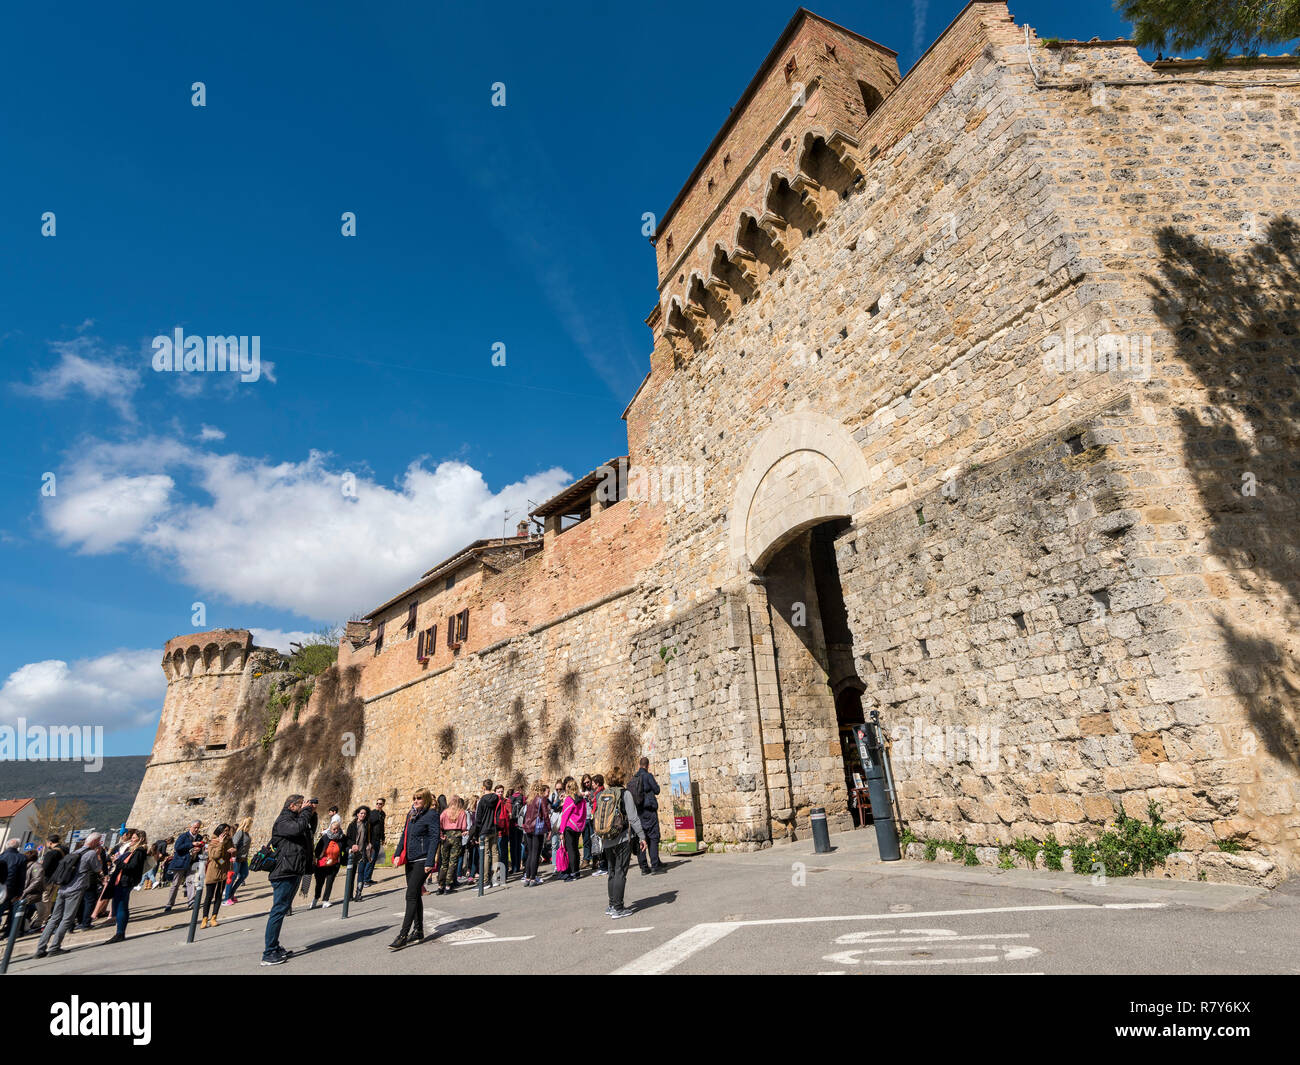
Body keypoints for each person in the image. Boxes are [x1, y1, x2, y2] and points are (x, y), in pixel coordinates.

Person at [262, 794, 314, 966]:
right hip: (283, 872)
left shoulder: (295, 819)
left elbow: (306, 832)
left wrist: (309, 813)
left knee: (282, 910)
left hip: (292, 870)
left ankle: (274, 947)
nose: (303, 807)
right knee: (278, 911)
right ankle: (268, 953)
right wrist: (306, 812)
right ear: (292, 806)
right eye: (300, 805)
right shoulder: (283, 820)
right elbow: (297, 829)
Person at [35, 834, 103, 958]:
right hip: (76, 888)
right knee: (67, 918)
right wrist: (98, 854)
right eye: (99, 841)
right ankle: (55, 947)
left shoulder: (76, 851)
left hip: (63, 887)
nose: (100, 843)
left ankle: (40, 949)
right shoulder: (91, 854)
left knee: (54, 918)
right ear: (94, 842)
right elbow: (97, 868)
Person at [592, 766, 648, 919]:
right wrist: (642, 837)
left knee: (611, 871)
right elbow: (633, 818)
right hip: (622, 838)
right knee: (620, 872)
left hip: (606, 839)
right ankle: (618, 907)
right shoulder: (625, 794)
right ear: (621, 778)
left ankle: (611, 905)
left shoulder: (602, 794)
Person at [389, 788, 439, 950]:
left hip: (422, 860)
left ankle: (403, 934)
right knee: (415, 894)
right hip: (410, 860)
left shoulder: (431, 815)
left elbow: (434, 838)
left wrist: (430, 861)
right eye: (414, 798)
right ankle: (418, 931)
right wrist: (397, 854)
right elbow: (404, 835)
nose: (416, 801)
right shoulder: (410, 815)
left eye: (419, 798)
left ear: (426, 800)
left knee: (410, 895)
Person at [105, 830, 149, 942]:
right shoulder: (136, 850)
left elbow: (132, 867)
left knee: (121, 905)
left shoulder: (139, 851)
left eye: (134, 838)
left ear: (140, 839)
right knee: (120, 905)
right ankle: (119, 932)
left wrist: (117, 862)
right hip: (124, 880)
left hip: (126, 881)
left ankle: (120, 933)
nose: (132, 840)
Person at [630, 757, 665, 874]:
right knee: (653, 837)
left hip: (638, 813)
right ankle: (655, 865)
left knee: (641, 837)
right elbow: (657, 790)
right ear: (647, 765)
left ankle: (644, 867)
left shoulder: (633, 779)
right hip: (649, 811)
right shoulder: (648, 776)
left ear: (639, 765)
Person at [200, 824, 235, 928]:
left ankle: (214, 917)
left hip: (223, 872)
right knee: (209, 896)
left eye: (228, 830)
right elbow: (215, 856)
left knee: (219, 896)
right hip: (213, 872)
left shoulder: (229, 841)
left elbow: (229, 854)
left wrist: (233, 852)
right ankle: (204, 919)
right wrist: (220, 843)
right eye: (224, 830)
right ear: (219, 831)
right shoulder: (212, 842)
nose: (226, 833)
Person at [164, 821, 202, 913]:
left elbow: (201, 849)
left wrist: (199, 850)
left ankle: (191, 902)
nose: (196, 829)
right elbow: (177, 847)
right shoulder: (183, 836)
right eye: (195, 827)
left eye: (198, 828)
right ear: (190, 827)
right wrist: (191, 845)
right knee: (175, 884)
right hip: (181, 863)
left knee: (191, 882)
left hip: (192, 863)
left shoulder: (199, 837)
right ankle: (169, 904)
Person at [469, 780, 500, 887]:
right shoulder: (496, 798)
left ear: (483, 787)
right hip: (494, 829)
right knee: (495, 853)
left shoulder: (482, 800)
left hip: (484, 830)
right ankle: (495, 878)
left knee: (486, 855)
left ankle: (486, 880)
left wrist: (476, 834)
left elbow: (478, 819)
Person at [311, 816, 347, 907]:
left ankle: (325, 900)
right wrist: (324, 858)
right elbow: (317, 850)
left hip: (335, 864)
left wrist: (349, 850)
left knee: (330, 882)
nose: (335, 831)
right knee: (320, 882)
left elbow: (345, 847)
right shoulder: (325, 837)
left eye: (337, 829)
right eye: (334, 829)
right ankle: (316, 898)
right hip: (323, 863)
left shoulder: (342, 838)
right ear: (330, 829)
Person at [32, 836, 64, 931]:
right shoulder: (65, 850)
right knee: (50, 901)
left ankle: (41, 922)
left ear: (50, 842)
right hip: (58, 880)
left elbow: (44, 868)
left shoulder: (51, 853)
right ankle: (44, 920)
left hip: (48, 880)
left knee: (44, 900)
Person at [522, 782, 550, 886]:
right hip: (537, 828)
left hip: (528, 828)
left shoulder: (529, 799)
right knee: (536, 853)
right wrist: (549, 828)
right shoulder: (541, 799)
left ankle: (527, 877)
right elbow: (546, 814)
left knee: (530, 853)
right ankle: (533, 878)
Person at [436, 796, 466, 894]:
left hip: (446, 836)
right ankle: (448, 886)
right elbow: (464, 827)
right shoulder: (462, 812)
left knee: (444, 863)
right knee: (453, 862)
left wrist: (441, 835)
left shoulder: (445, 812)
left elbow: (438, 825)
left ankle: (440, 885)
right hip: (457, 836)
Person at [345, 806, 374, 901]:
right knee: (351, 874)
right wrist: (352, 845)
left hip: (362, 853)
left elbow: (370, 837)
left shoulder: (367, 825)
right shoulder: (352, 825)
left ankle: (358, 893)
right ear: (357, 814)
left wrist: (369, 846)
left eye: (364, 814)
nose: (363, 815)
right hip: (353, 853)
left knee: (361, 873)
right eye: (361, 813)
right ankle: (349, 895)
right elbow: (347, 839)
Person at [560, 781, 586, 882]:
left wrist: (561, 831)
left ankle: (573, 873)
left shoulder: (569, 799)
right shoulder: (582, 800)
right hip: (578, 827)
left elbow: (565, 816)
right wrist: (581, 825)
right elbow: (584, 814)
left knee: (570, 850)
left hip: (569, 826)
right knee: (575, 849)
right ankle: (577, 871)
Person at [222, 817, 253, 905]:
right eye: (250, 823)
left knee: (244, 874)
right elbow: (234, 844)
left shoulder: (246, 834)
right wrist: (233, 856)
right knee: (232, 877)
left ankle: (231, 893)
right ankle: (226, 898)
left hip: (243, 859)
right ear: (247, 824)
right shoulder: (240, 832)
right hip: (236, 858)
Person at [0, 838, 25, 936]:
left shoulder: (1, 856)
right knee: (13, 913)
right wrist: (19, 893)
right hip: (13, 890)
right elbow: (21, 877)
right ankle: (9, 934)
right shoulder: (21, 858)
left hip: (2, 888)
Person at [297, 798, 320, 900]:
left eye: (315, 805)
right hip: (300, 846)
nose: (313, 807)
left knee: (308, 869)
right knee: (296, 873)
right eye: (312, 805)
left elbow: (313, 831)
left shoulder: (314, 816)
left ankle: (304, 890)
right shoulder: (301, 815)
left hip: (309, 845)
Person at [363, 797, 387, 886]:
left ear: (383, 805)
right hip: (371, 840)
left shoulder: (383, 814)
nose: (378, 805)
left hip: (377, 840)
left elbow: (382, 827)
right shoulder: (373, 814)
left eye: (380, 804)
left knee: (373, 861)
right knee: (370, 859)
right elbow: (368, 825)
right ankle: (365, 880)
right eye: (377, 803)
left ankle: (368, 878)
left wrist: (383, 838)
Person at [589, 774, 608, 876]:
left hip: (599, 822)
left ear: (597, 783)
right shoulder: (602, 792)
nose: (592, 785)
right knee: (602, 845)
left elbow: (598, 809)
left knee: (601, 845)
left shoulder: (599, 794)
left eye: (592, 783)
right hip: (601, 822)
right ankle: (604, 866)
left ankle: (604, 867)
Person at [493, 784, 512, 875]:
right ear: (495, 792)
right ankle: (497, 871)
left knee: (503, 853)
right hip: (495, 831)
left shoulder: (506, 801)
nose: (500, 793)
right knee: (497, 853)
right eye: (498, 792)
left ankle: (503, 872)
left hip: (503, 831)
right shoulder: (493, 802)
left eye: (501, 792)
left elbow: (510, 814)